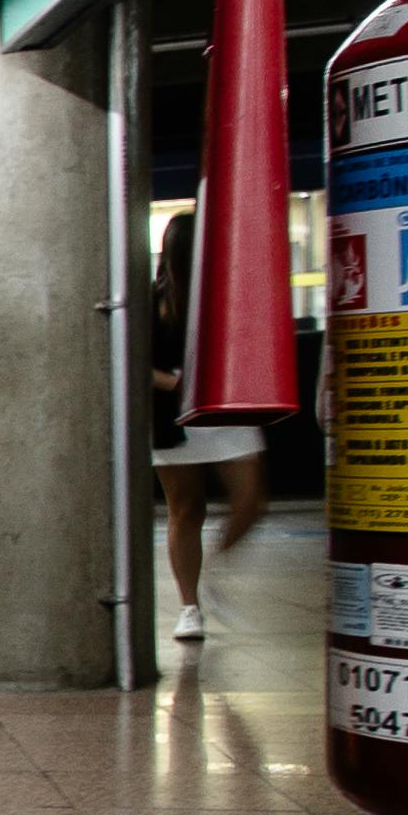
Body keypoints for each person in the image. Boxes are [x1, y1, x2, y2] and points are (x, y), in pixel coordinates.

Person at [140, 206, 266, 650]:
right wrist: (178, 384)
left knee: (250, 502)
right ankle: (189, 606)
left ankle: (214, 572)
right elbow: (134, 360)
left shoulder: (229, 292)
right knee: (186, 509)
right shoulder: (153, 300)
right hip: (174, 417)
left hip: (226, 409)